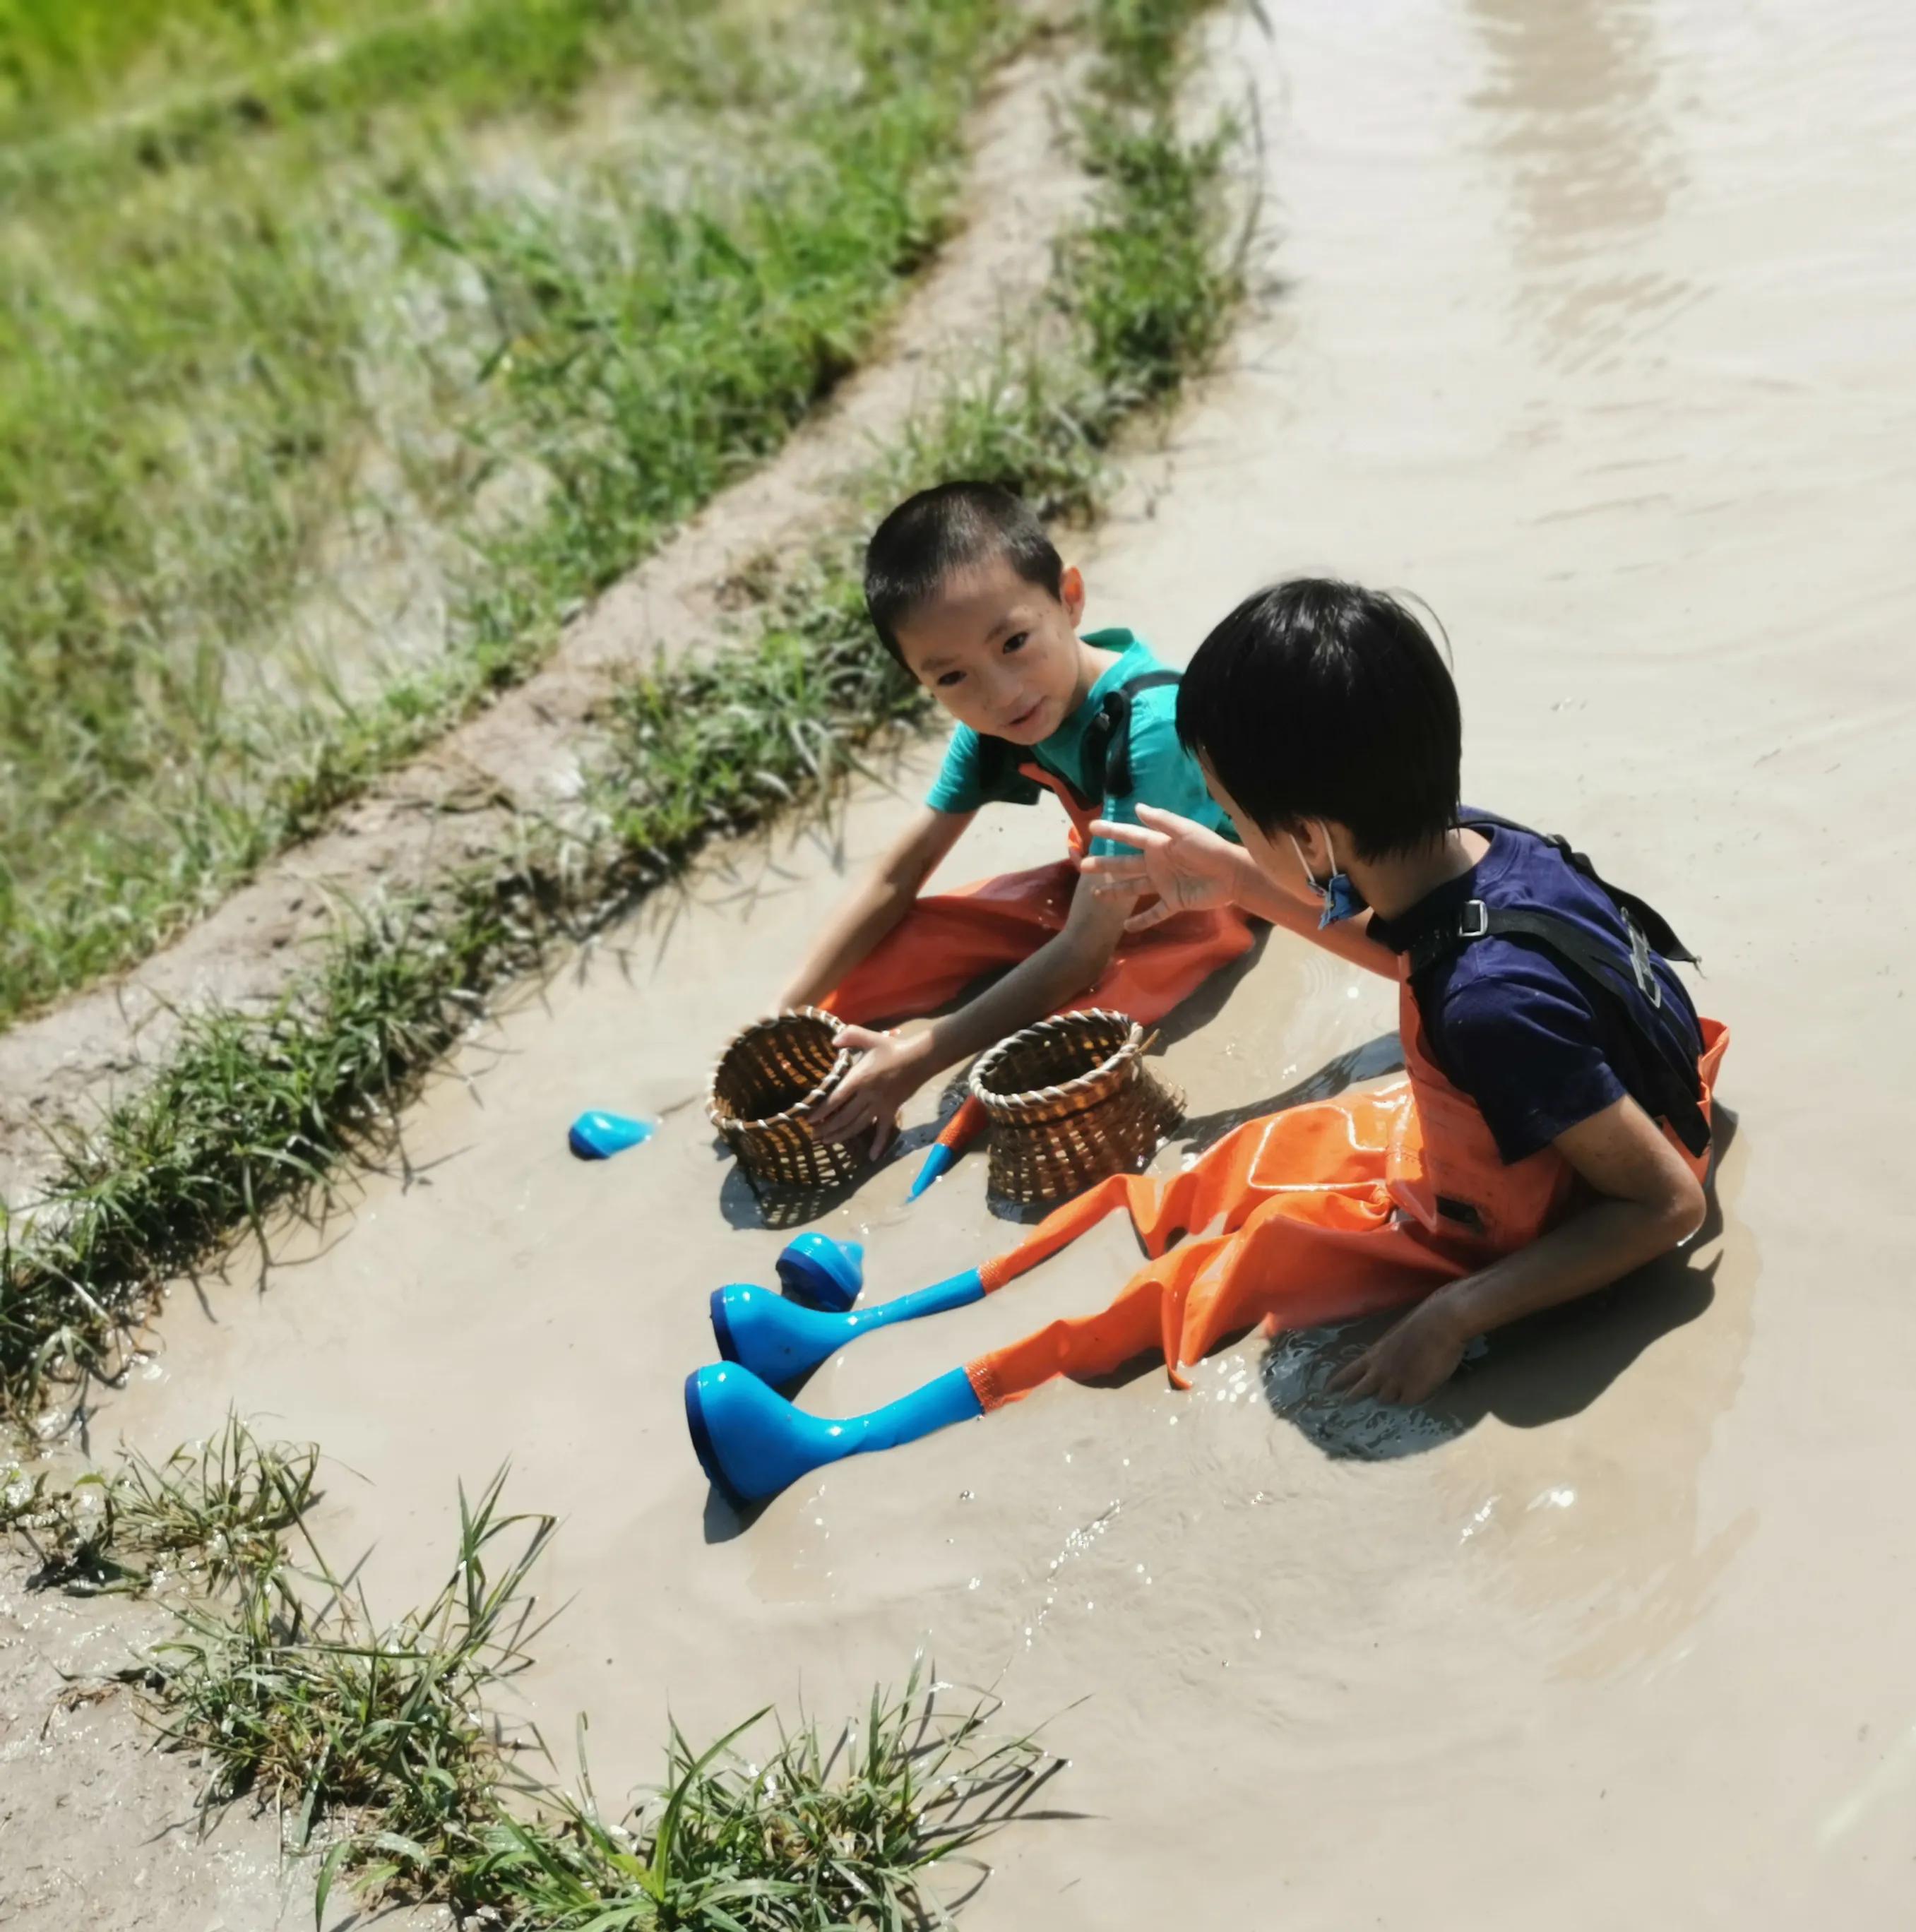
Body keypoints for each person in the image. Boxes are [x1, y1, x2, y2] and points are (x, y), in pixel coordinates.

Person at [684, 579, 1730, 1503]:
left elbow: (1664, 1203)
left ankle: (828, 1444)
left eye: (1234, 816)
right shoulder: (1478, 841)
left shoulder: (1493, 1012)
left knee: (1181, 1289)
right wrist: (1236, 876)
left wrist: (1457, 1313)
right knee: (1200, 1175)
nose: (1227, 831)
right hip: (1528, 1131)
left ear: (1313, 836)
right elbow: (1423, 959)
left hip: (1526, 1222)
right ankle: (846, 1334)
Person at [774, 482, 1295, 1155]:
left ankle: (941, 1132)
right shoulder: (1001, 722)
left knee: (1008, 1088)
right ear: (923, 682)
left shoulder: (1152, 725)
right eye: (952, 678)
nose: (999, 691)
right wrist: (783, 1013)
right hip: (1095, 888)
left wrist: (917, 1059)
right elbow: (898, 873)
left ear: (1069, 599)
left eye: (1014, 642)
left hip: (1195, 911)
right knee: (850, 986)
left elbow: (1083, 952)